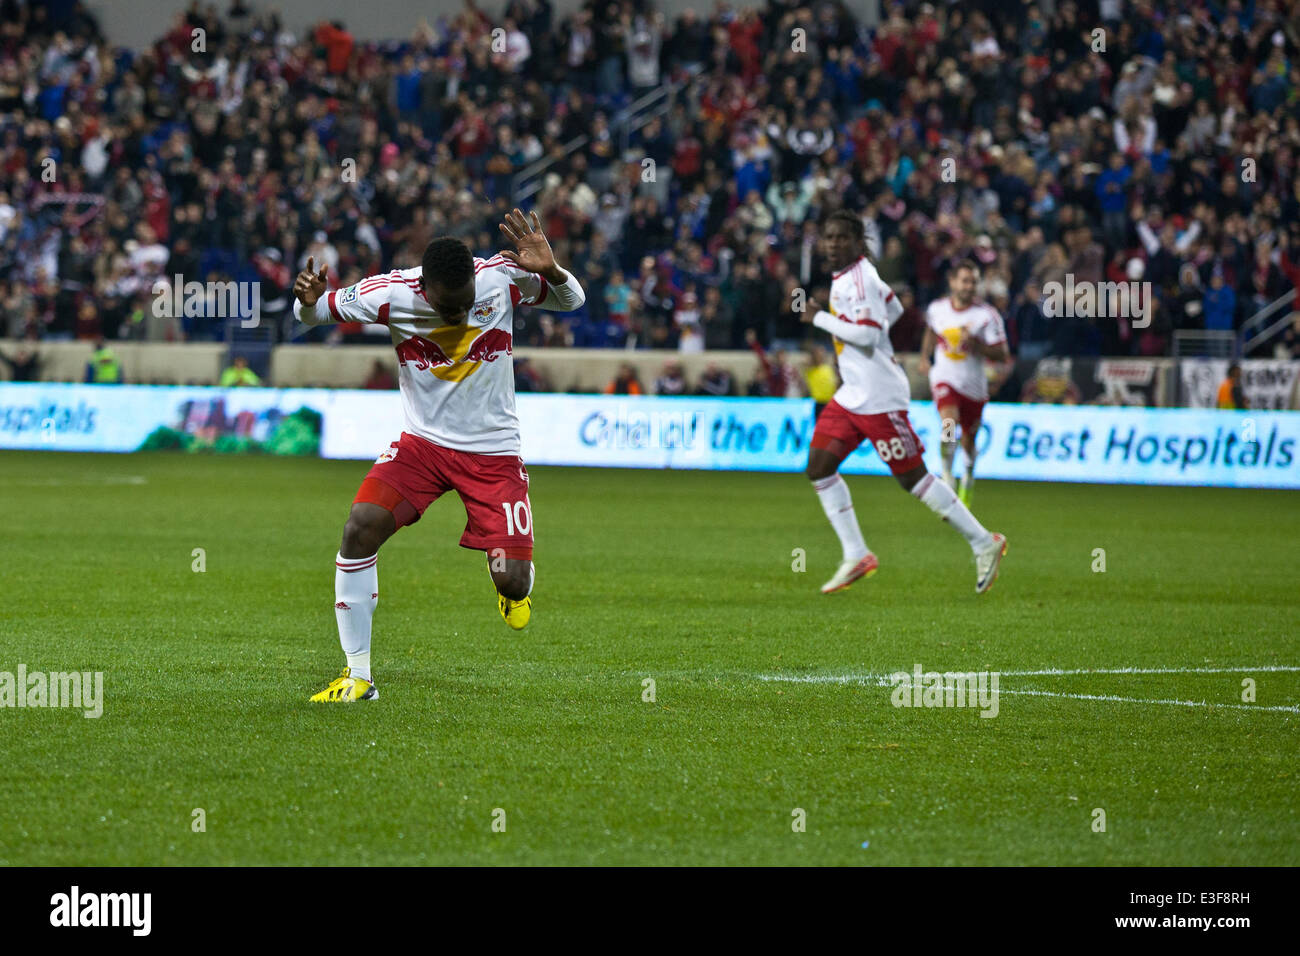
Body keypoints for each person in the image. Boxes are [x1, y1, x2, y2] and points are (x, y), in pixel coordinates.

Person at [292, 209, 586, 702]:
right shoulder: (388, 294)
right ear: (424, 287)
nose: (458, 316)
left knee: (514, 583)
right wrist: (304, 301)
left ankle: (508, 582)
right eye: (449, 309)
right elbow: (314, 312)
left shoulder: (500, 279)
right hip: (422, 446)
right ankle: (358, 676)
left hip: (494, 451)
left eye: (466, 305)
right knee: (360, 526)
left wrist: (552, 271)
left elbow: (572, 302)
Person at [802, 211, 1007, 596]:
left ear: (858, 243)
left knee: (912, 479)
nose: (831, 244)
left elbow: (865, 335)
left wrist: (819, 319)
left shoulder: (860, 280)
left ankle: (984, 541)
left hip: (878, 397)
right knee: (819, 467)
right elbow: (893, 309)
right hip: (852, 395)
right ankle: (856, 553)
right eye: (827, 237)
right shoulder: (855, 276)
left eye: (840, 238)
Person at [919, 262, 1009, 503]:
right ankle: (947, 472)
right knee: (949, 423)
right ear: (953, 282)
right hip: (944, 378)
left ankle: (968, 474)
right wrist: (924, 357)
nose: (969, 286)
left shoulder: (987, 316)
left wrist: (976, 344)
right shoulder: (937, 308)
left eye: (973, 282)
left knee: (969, 440)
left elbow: (1002, 353)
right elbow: (931, 330)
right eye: (965, 281)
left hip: (973, 385)